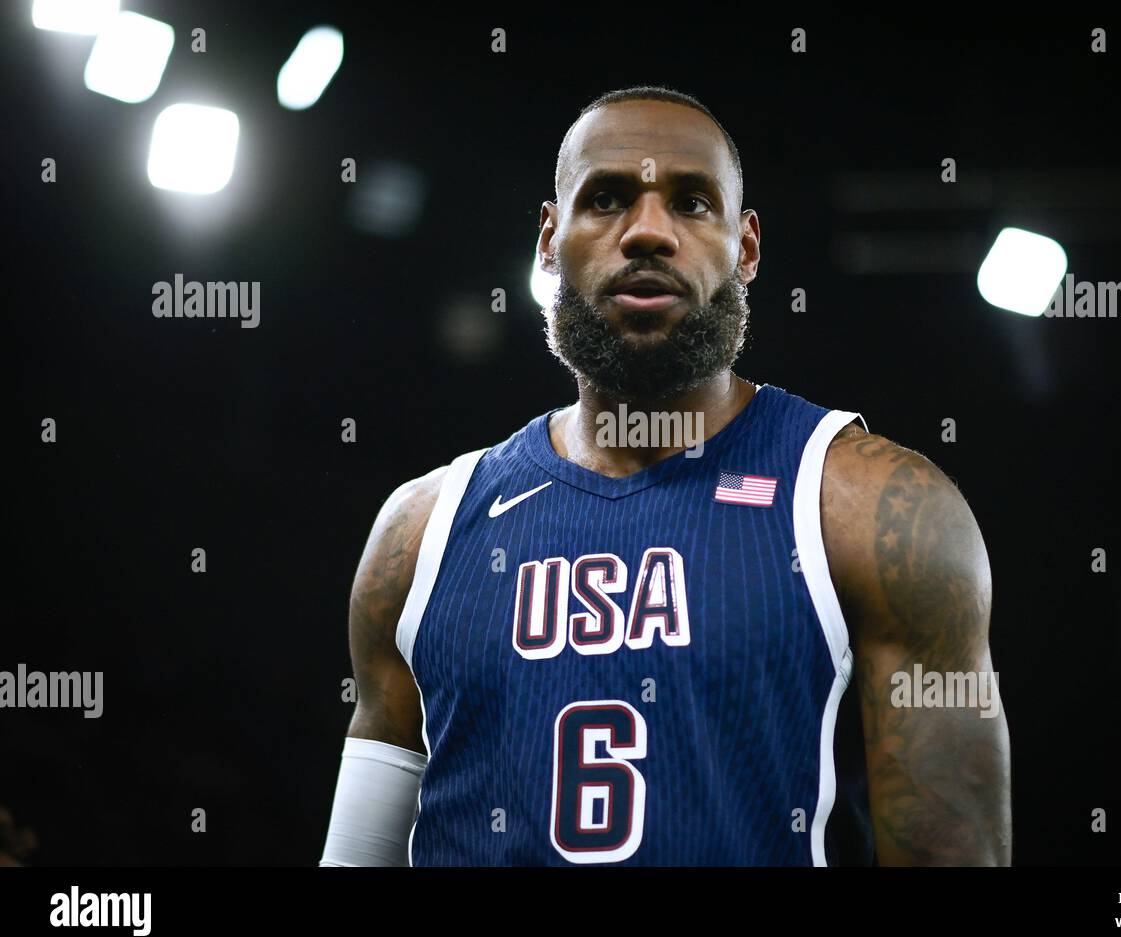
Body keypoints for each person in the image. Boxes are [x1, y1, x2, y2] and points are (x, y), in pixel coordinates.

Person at [320, 86, 1011, 866]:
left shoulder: (874, 508)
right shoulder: (420, 535)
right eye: (608, 198)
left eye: (691, 202)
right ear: (549, 240)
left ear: (746, 247)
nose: (648, 231)